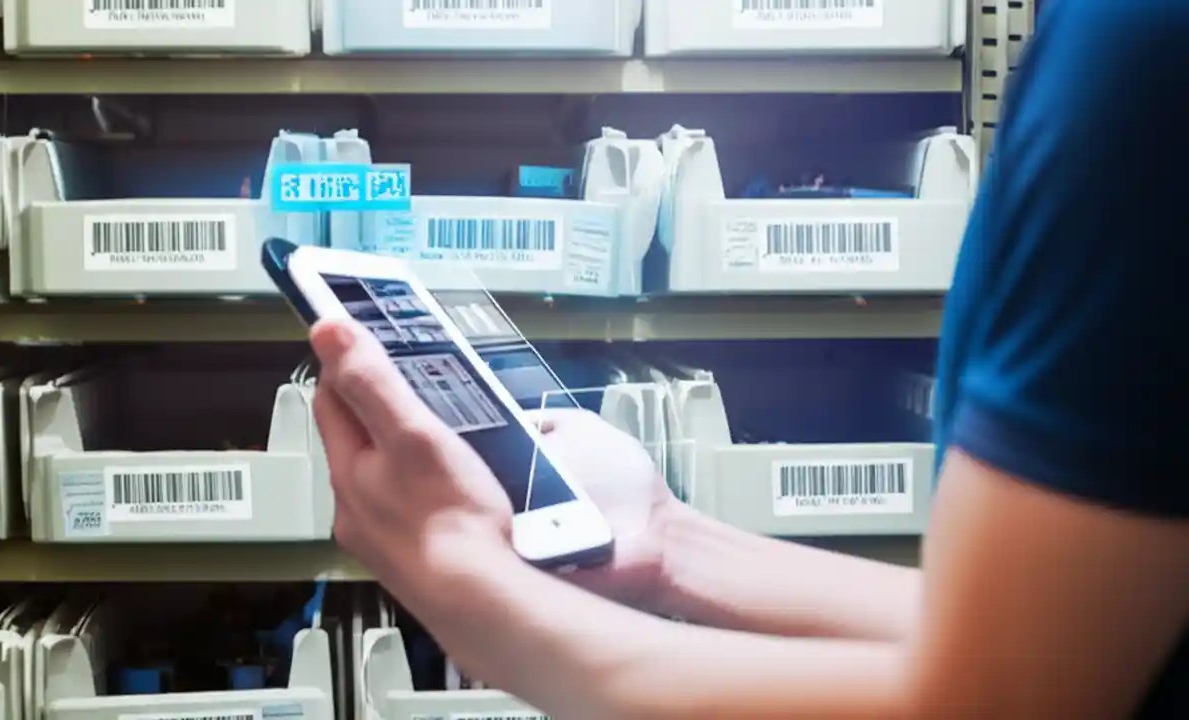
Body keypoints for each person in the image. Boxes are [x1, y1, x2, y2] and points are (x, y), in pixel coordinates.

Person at [307, 1, 1187, 717]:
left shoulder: (1141, 45)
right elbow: (1052, 646)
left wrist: (479, 602)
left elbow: (1000, 703)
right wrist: (669, 544)